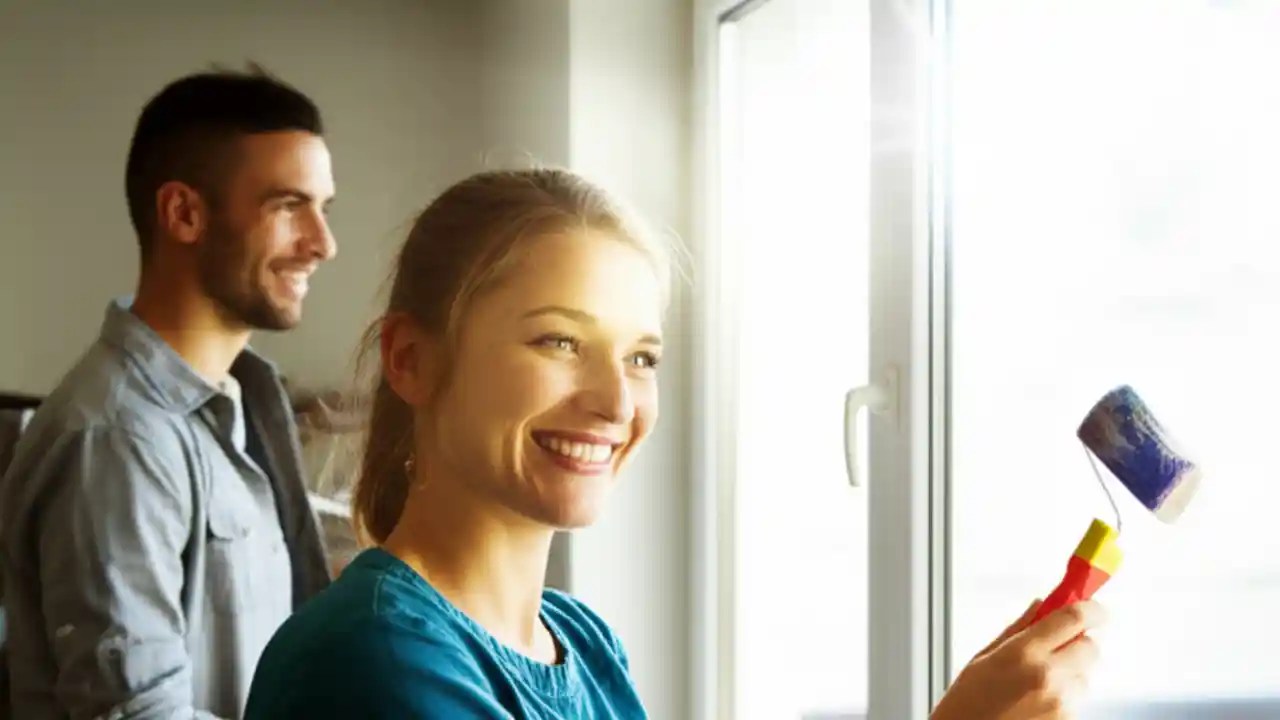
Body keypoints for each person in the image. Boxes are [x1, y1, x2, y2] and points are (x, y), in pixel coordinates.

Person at [243, 168, 1104, 719]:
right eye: (558, 341)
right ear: (412, 359)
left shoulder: (582, 643)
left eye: (642, 356)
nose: (617, 400)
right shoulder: (374, 663)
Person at [0, 66, 336, 719]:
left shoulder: (251, 401)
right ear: (184, 213)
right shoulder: (116, 437)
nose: (323, 243)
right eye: (289, 206)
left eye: (324, 208)